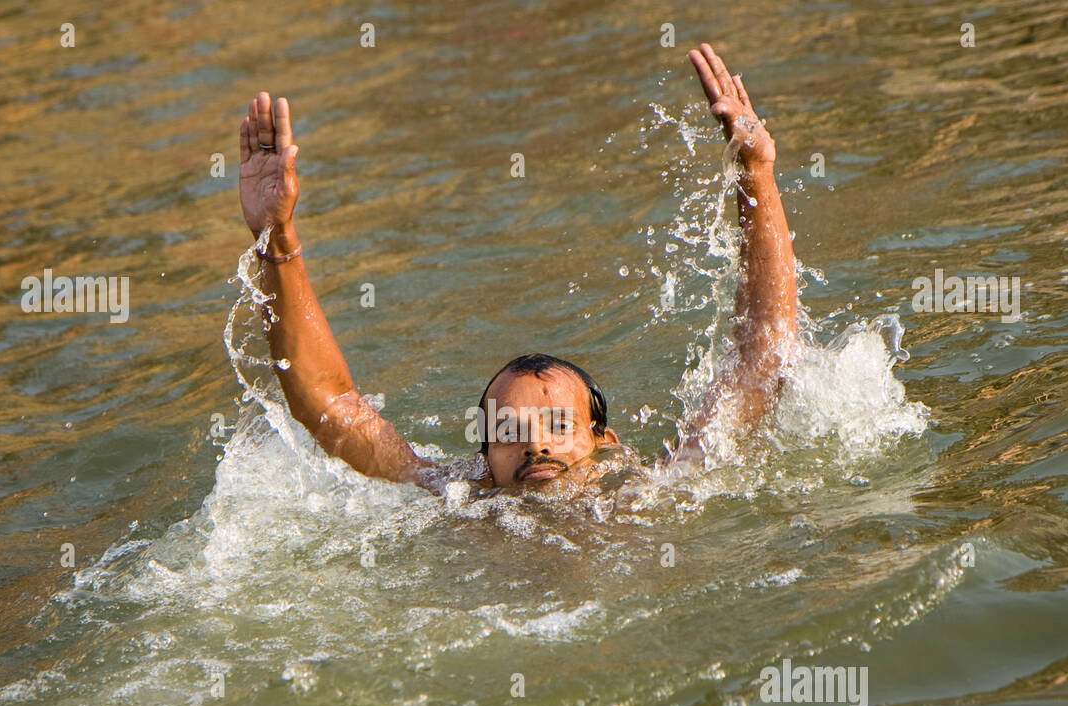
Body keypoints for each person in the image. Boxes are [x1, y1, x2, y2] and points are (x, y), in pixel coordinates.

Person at [236, 43, 798, 492]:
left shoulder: (655, 492)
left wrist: (757, 175)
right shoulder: (454, 499)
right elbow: (331, 407)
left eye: (558, 426)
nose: (536, 447)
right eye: (509, 432)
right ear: (482, 461)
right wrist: (276, 237)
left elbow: (760, 361)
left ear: (606, 442)